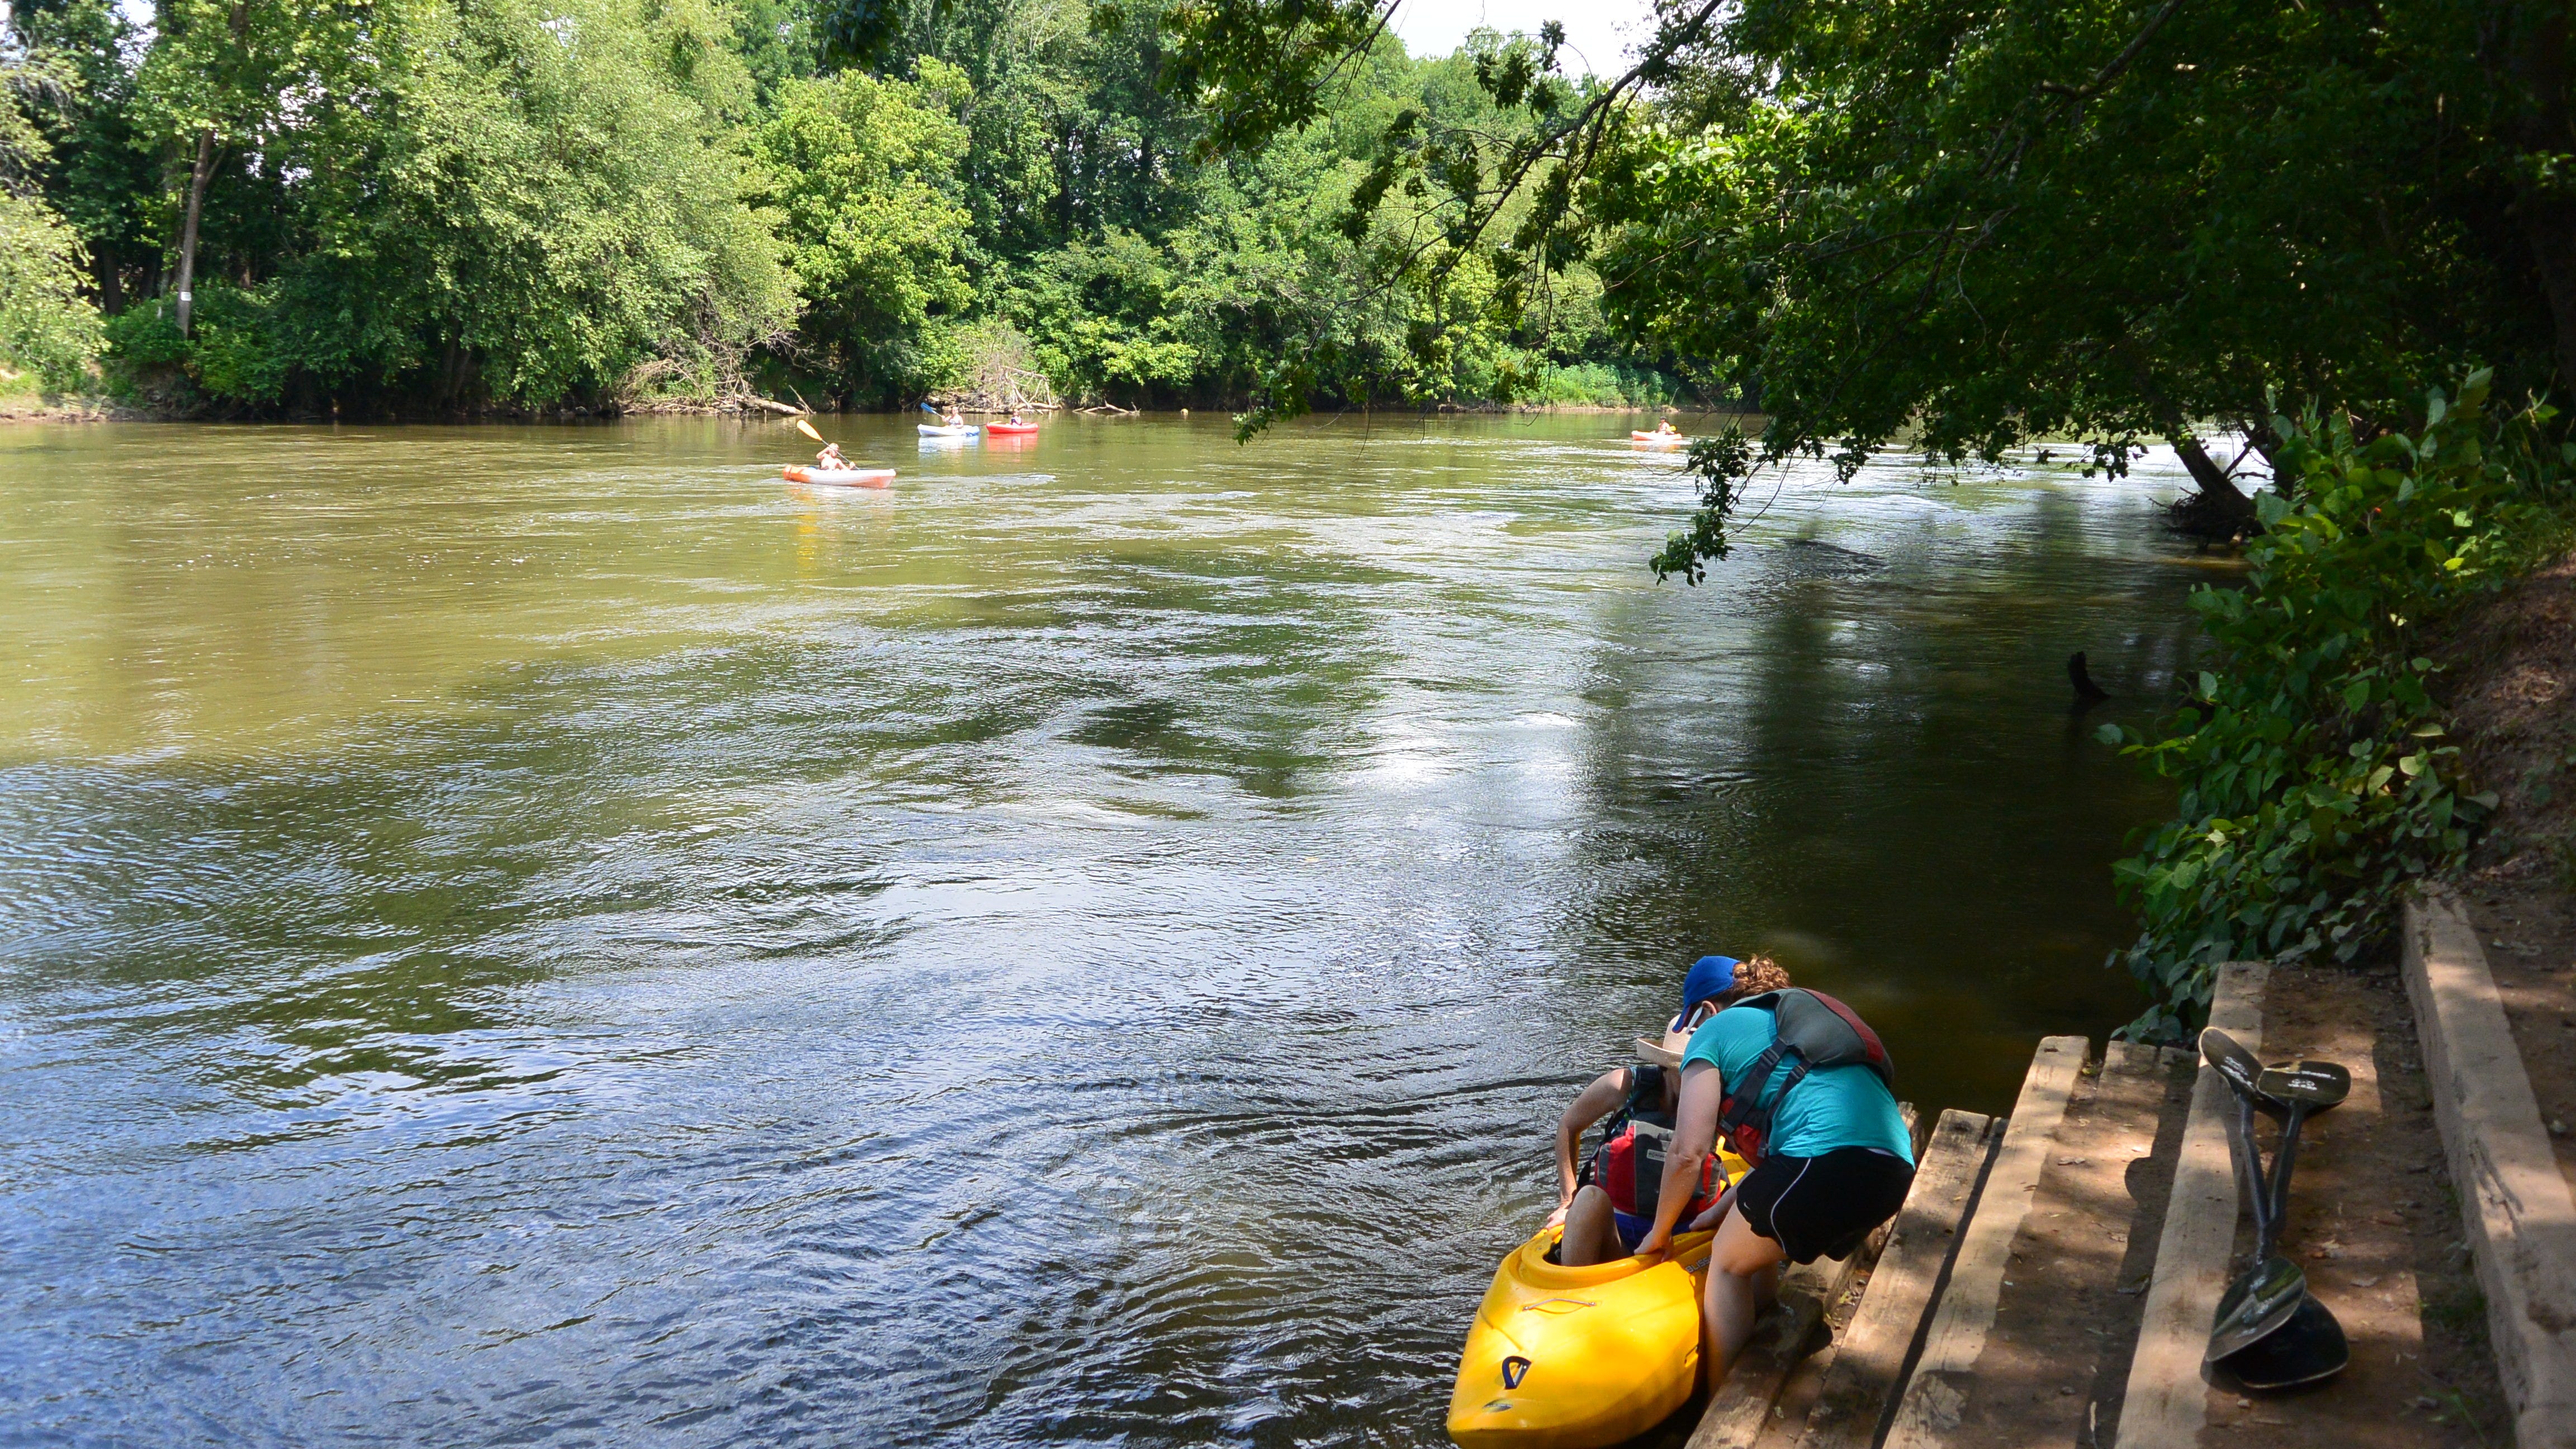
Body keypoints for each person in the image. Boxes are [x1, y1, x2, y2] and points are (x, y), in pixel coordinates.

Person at [1630, 977, 1915, 1388]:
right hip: (1893, 1166)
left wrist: (1659, 1233)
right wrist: (1716, 1211)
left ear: (1706, 1012)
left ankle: (1719, 1405)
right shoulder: (1786, 1029)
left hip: (1827, 1156)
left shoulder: (1710, 1037)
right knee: (1751, 1238)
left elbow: (1688, 1152)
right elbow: (1768, 1172)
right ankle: (1765, 1329)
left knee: (1726, 1264)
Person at [1549, 955, 1794, 1266]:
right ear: (1665, 1064)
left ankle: (1748, 1289)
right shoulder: (1625, 1085)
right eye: (1687, 1070)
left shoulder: (1725, 1101)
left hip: (1688, 1240)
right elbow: (1569, 1125)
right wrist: (1567, 1198)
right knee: (1587, 1198)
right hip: (1619, 1237)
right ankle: (1573, 1290)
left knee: (1752, 1205)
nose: (1698, 1081)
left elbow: (1767, 1160)